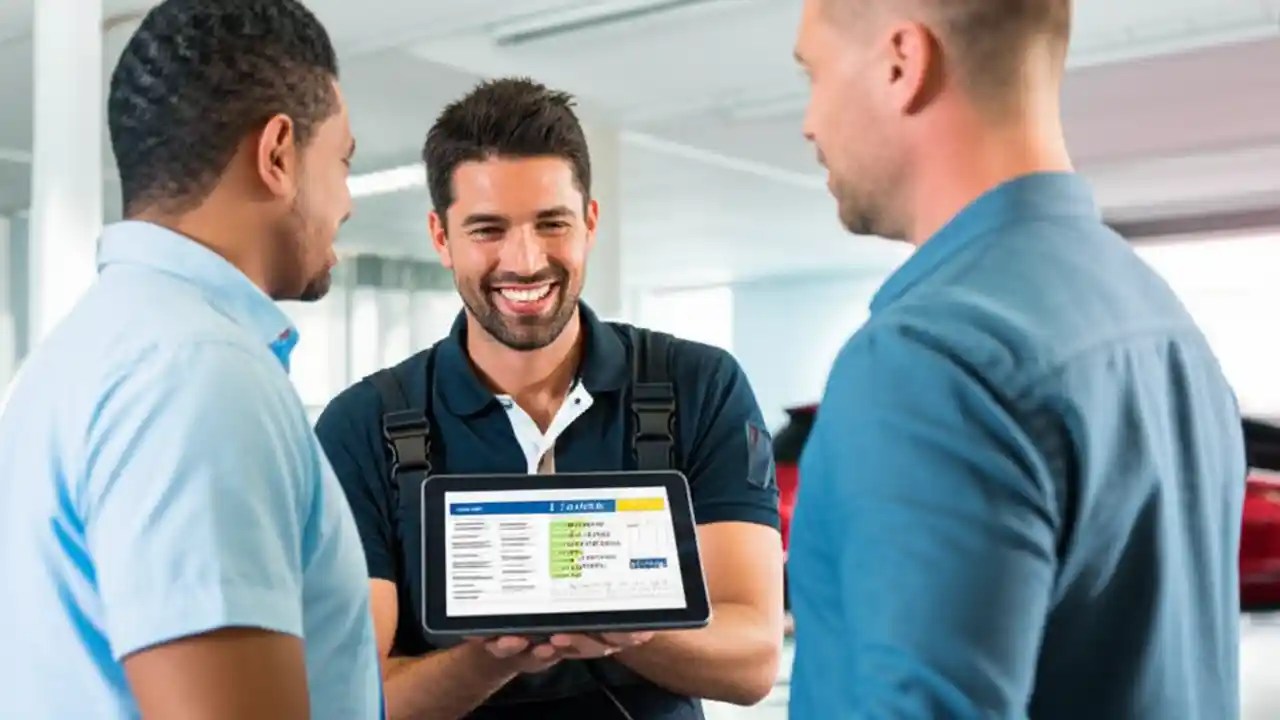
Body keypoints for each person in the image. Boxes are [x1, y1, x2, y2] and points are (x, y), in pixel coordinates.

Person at [786, 1, 1245, 719]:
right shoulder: (1160, 320)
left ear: (902, 63)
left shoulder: (929, 360)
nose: (810, 121)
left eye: (813, 74)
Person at [316, 77, 784, 720]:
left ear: (589, 222)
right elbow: (354, 700)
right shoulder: (363, 426)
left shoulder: (697, 387)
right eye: (487, 229)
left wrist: (624, 628)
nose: (526, 259)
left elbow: (753, 658)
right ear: (439, 236)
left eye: (551, 223)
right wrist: (491, 655)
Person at [0, 1, 381, 718]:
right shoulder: (197, 374)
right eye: (342, 162)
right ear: (277, 155)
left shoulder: (80, 353)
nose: (347, 202)